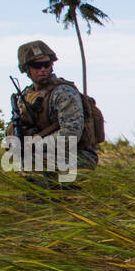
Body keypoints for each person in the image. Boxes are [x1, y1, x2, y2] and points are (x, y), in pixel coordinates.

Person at [9, 40, 98, 182]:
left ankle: (39, 204)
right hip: (45, 154)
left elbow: (70, 135)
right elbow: (14, 129)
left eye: (47, 64)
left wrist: (32, 146)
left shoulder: (63, 93)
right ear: (27, 69)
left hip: (78, 155)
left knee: (32, 165)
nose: (43, 69)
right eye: (37, 66)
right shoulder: (25, 97)